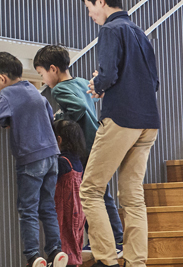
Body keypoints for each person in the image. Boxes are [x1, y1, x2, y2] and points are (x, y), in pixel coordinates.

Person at [78, 0, 160, 267]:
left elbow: (109, 74)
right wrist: (105, 83)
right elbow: (154, 80)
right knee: (133, 197)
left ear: (100, 1)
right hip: (149, 121)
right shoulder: (139, 31)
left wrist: (98, 85)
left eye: (89, 7)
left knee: (90, 189)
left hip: (122, 119)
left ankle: (107, 260)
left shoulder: (111, 30)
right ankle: (136, 262)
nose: (90, 14)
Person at [34, 45, 124, 254]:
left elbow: (78, 109)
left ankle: (114, 239)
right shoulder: (83, 83)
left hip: (83, 145)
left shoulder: (59, 89)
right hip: (98, 141)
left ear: (53, 69)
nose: (43, 80)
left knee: (89, 194)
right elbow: (89, 102)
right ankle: (107, 238)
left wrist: (59, 119)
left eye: (42, 74)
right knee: (99, 193)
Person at [0, 52, 68, 267]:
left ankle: (33, 256)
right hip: (52, 156)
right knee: (47, 206)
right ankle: (55, 251)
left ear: (2, 78)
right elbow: (49, 115)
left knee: (28, 209)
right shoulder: (34, 90)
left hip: (31, 158)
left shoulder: (8, 95)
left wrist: (7, 120)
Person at [52, 119, 87, 266]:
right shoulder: (77, 161)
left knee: (64, 239)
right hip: (79, 209)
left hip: (66, 208)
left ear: (58, 140)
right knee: (75, 239)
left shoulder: (62, 162)